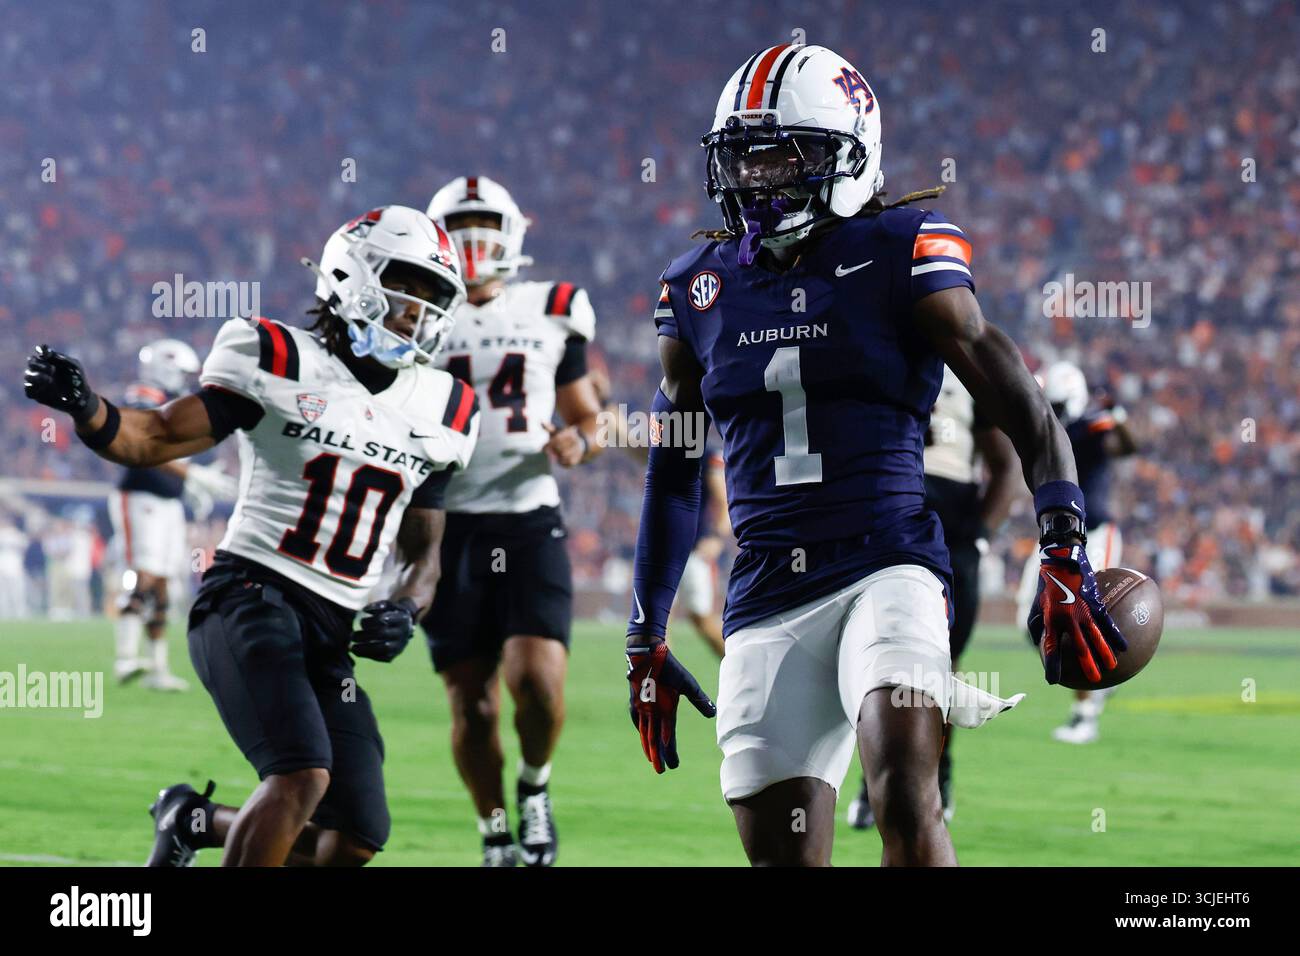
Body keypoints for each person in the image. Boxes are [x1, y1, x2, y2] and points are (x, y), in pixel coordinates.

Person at [623, 44, 1129, 866]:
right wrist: (645, 635)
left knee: (901, 785)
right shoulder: (698, 287)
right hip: (764, 589)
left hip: (888, 563)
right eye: (744, 159)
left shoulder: (903, 250)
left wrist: (1063, 547)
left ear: (849, 154)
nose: (760, 179)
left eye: (785, 156)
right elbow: (674, 470)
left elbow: (1024, 407)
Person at [25, 205, 480, 866]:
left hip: (331, 628)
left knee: (353, 833)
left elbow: (424, 552)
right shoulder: (277, 354)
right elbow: (155, 438)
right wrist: (88, 408)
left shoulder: (447, 406)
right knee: (300, 776)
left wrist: (407, 608)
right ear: (354, 275)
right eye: (408, 285)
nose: (421, 308)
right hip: (249, 596)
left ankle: (192, 821)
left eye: (436, 296)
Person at [422, 176, 604, 866]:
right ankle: (494, 830)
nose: (473, 241)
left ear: (514, 232)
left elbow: (591, 413)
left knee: (537, 682)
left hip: (528, 518)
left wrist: (579, 440)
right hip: (445, 526)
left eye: (484, 224)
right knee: (473, 707)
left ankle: (534, 787)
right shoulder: (417, 310)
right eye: (458, 226)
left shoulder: (553, 306)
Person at [847, 365, 1018, 828]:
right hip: (891, 508)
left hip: (952, 526)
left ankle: (936, 777)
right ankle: (874, 783)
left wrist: (980, 535)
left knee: (943, 665)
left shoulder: (968, 364)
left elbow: (1005, 464)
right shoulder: (875, 349)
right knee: (878, 658)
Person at [1017, 360, 1138, 744]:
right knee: (1029, 618)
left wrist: (1116, 416)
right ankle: (1099, 683)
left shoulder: (1090, 427)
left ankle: (1085, 713)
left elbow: (1126, 445)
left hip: (1094, 533)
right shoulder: (1047, 431)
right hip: (1053, 536)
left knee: (1079, 615)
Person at [109, 338, 236, 690]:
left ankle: (157, 668)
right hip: (140, 495)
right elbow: (142, 447)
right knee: (143, 573)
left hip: (167, 502)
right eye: (181, 371)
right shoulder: (144, 394)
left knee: (165, 585)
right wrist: (192, 476)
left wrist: (187, 486)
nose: (184, 379)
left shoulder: (171, 402)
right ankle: (125, 657)